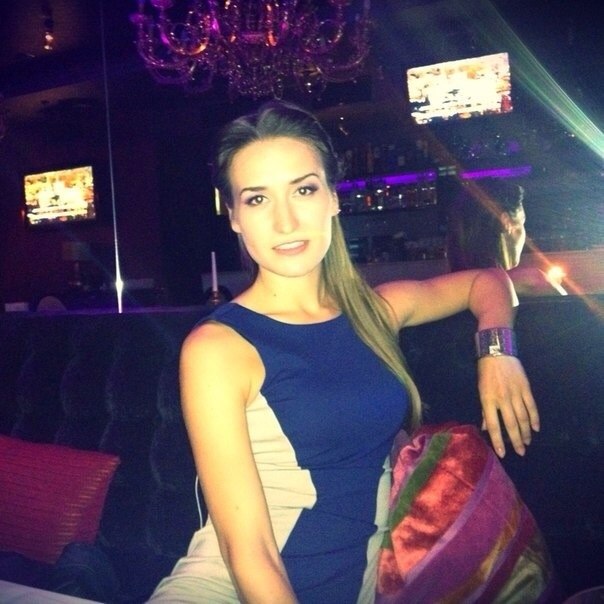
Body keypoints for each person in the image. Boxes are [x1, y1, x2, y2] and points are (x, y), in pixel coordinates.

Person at [149, 101, 539, 603]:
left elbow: (488, 282)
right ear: (235, 219)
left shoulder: (374, 313)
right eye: (258, 199)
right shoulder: (217, 347)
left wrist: (497, 352)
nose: (286, 221)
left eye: (304, 190)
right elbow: (248, 550)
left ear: (333, 198)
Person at [446, 178, 567, 295]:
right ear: (506, 222)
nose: (525, 235)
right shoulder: (534, 283)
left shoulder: (447, 290)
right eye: (522, 223)